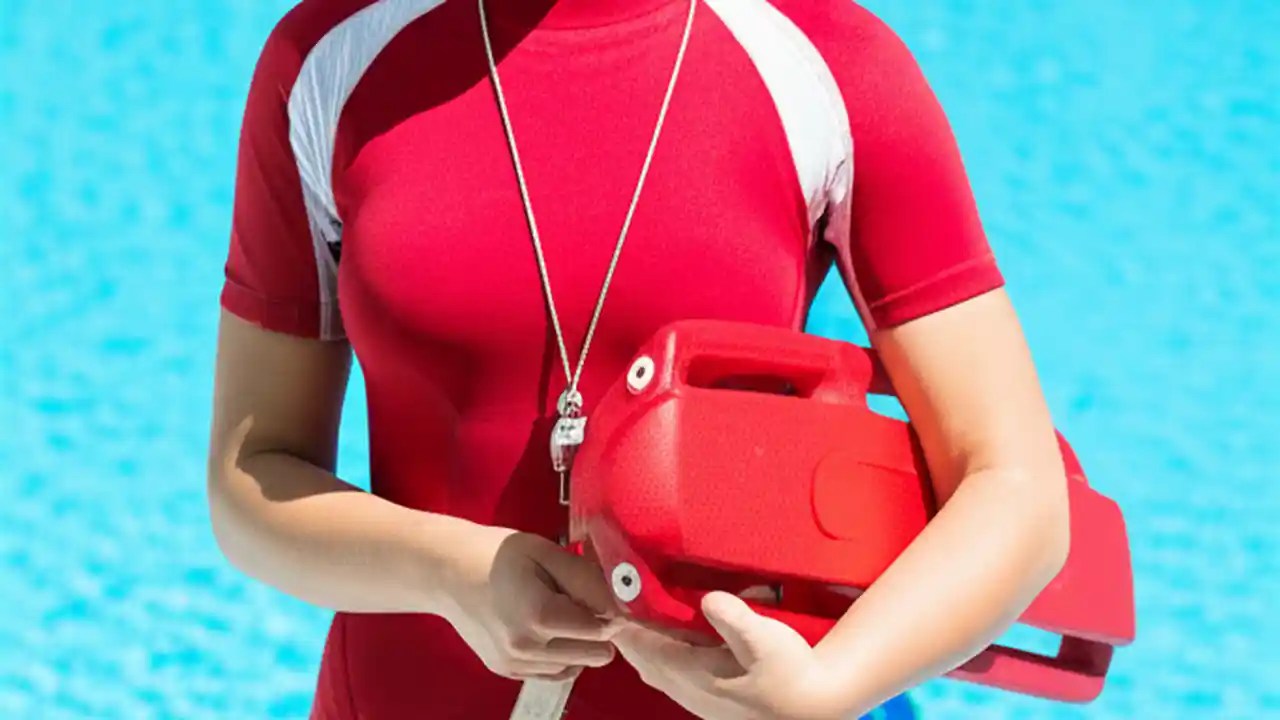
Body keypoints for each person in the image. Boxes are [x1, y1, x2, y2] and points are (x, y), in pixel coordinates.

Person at [207, 0, 1071, 717]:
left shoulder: (824, 61)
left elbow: (1015, 488)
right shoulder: (330, 59)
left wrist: (827, 690)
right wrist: (453, 572)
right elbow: (251, 477)